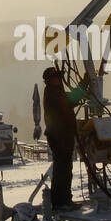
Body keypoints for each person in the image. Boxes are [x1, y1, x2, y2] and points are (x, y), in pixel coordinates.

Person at [42, 67, 85, 211]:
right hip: (59, 137)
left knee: (65, 168)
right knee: (63, 169)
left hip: (62, 136)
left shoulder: (54, 91)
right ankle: (61, 202)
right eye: (56, 77)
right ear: (49, 80)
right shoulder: (52, 93)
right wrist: (83, 86)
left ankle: (64, 200)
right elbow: (70, 100)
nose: (58, 79)